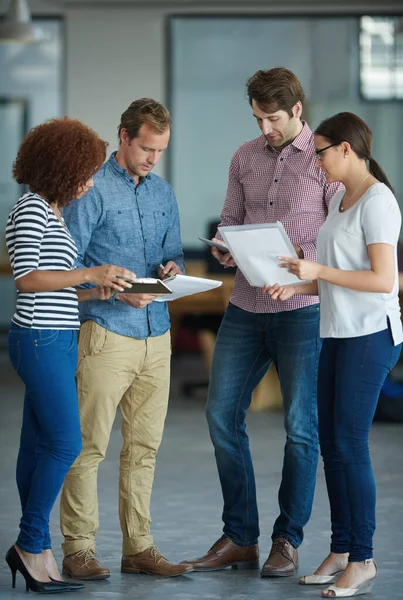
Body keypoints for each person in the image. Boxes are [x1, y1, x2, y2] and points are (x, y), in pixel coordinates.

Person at [181, 67, 342, 577]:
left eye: (272, 118)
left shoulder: (325, 160)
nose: (264, 128)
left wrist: (305, 257)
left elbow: (342, 235)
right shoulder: (244, 156)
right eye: (257, 118)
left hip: (302, 311)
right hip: (246, 307)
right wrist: (228, 249)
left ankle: (286, 539)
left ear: (297, 110)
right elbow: (230, 219)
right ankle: (240, 536)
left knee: (301, 429)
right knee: (221, 416)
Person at [265, 112, 402, 597]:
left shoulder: (379, 202)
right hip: (338, 331)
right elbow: (337, 275)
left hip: (371, 334)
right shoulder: (342, 200)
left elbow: (382, 280)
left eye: (321, 151)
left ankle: (363, 559)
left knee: (349, 444)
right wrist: (298, 282)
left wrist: (316, 268)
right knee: (331, 444)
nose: (316, 160)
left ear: (346, 149)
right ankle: (341, 550)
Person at [59, 98, 192, 580]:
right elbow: (63, 271)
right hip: (107, 332)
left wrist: (171, 268)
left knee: (144, 448)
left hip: (157, 336)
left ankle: (138, 547)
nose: (153, 158)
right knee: (88, 445)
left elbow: (171, 253)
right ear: (123, 137)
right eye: (146, 149)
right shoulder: (89, 192)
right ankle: (78, 549)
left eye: (160, 150)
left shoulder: (163, 194)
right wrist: (109, 291)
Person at [5, 117, 136, 594]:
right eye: (84, 171)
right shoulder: (32, 209)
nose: (91, 180)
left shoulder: (54, 213)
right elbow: (27, 279)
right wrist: (89, 271)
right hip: (39, 338)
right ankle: (28, 544)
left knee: (38, 444)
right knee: (66, 443)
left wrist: (96, 290)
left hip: (56, 335)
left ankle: (36, 550)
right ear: (61, 168)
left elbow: (55, 287)